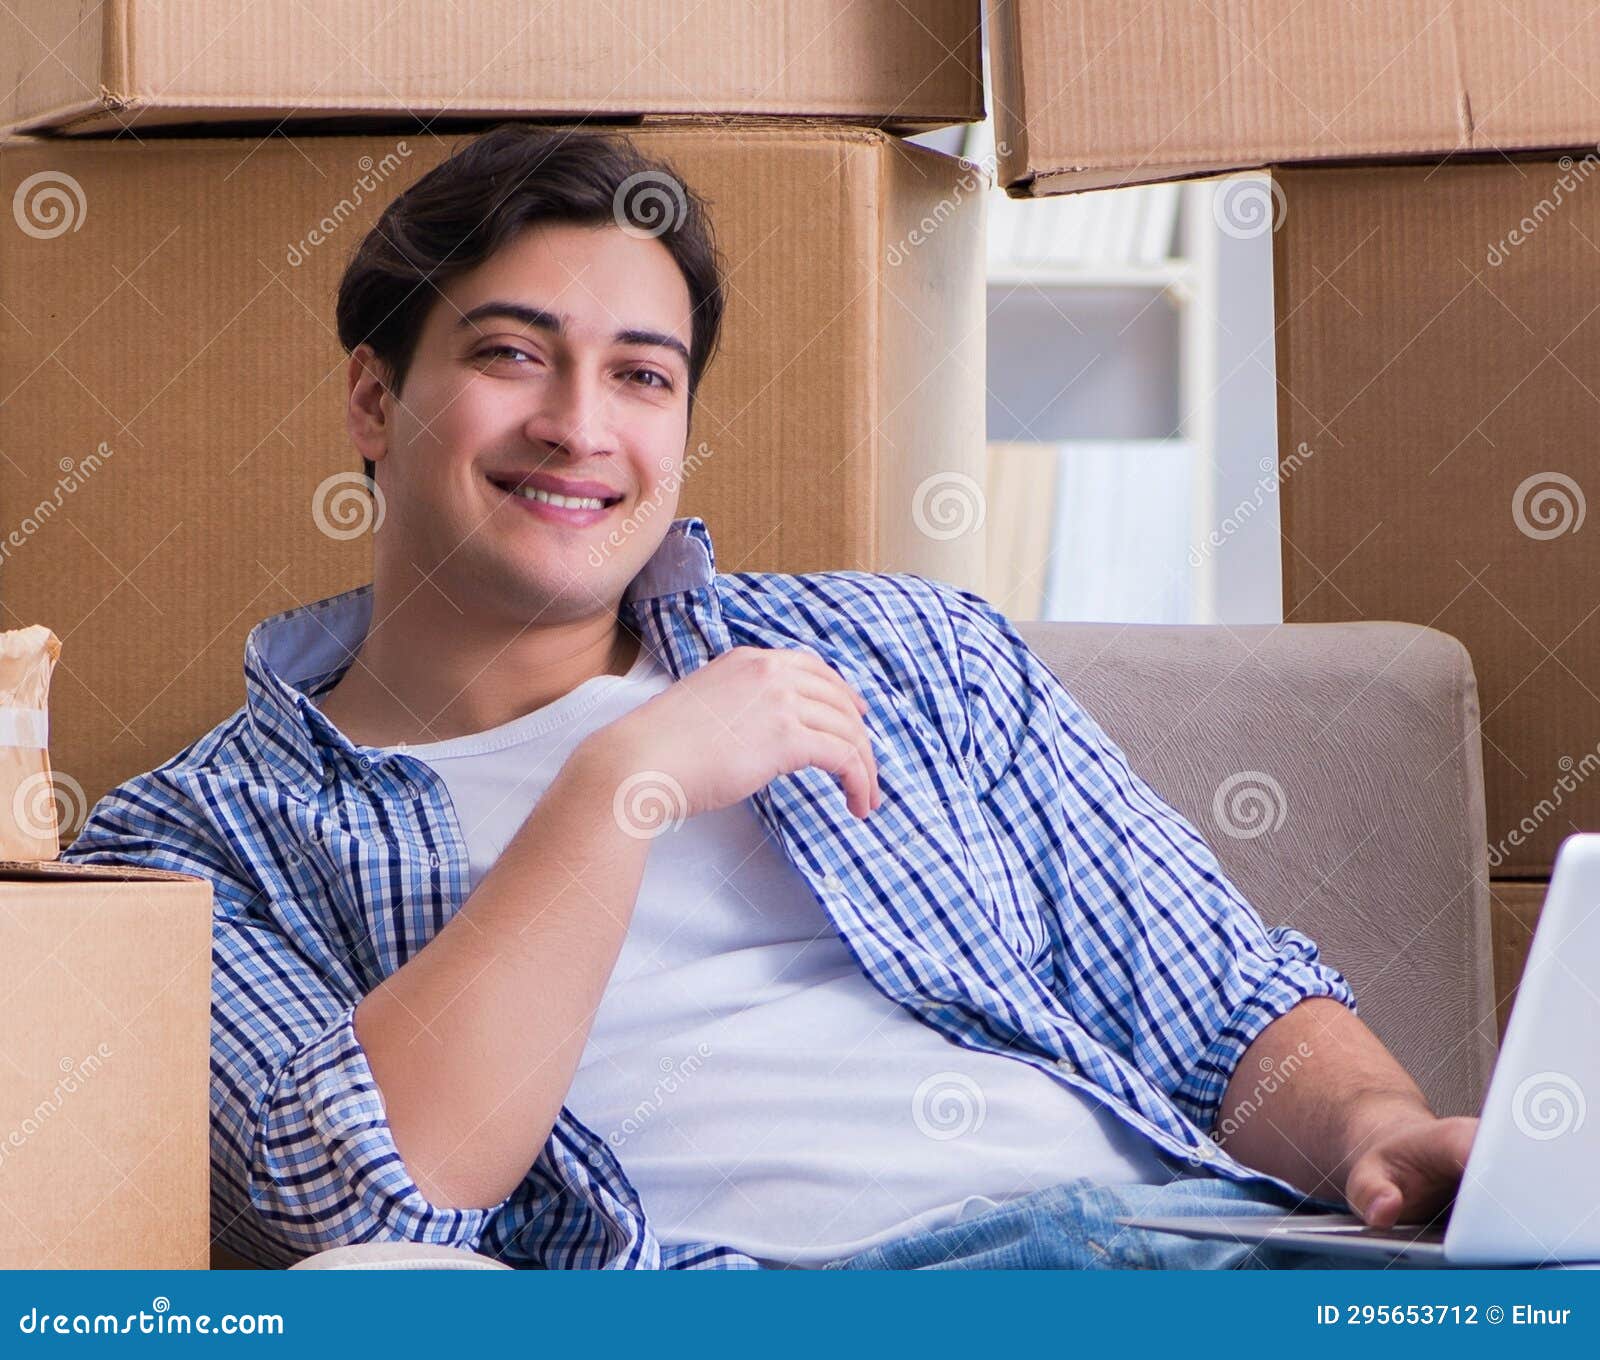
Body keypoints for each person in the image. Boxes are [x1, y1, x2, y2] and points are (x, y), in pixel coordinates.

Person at [62, 124, 1476, 1270]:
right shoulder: (186, 848)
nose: (579, 423)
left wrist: (1374, 1131)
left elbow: (1222, 1009)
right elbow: (375, 1209)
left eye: (641, 376)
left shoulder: (910, 649)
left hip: (1188, 1253)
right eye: (510, 353)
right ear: (375, 403)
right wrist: (622, 791)